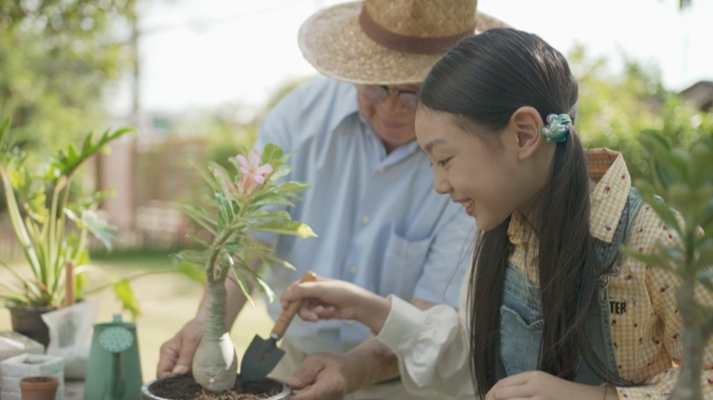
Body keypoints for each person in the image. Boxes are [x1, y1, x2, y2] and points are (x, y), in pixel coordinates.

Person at [281, 28, 713, 400]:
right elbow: (468, 353)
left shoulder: (657, 242)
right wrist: (367, 307)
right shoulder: (506, 234)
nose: (439, 184)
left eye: (444, 159)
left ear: (524, 135)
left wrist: (598, 396)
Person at [156, 0, 508, 399]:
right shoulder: (296, 119)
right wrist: (209, 322)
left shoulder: (468, 164)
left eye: (415, 92)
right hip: (291, 364)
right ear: (355, 67)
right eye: (377, 85)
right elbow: (251, 235)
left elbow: (433, 321)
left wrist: (354, 368)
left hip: (408, 385)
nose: (393, 105)